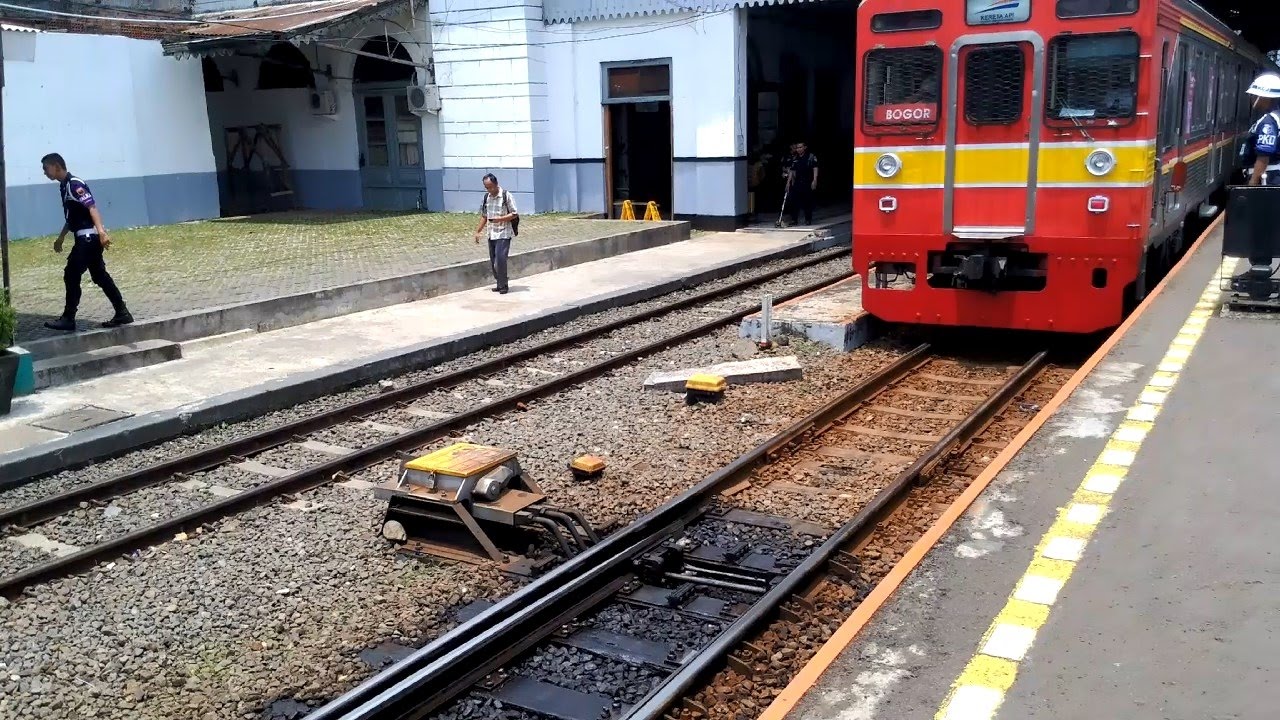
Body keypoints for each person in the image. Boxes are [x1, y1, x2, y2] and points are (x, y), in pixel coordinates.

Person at [40, 153, 133, 331]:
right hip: (85, 237)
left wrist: (102, 232)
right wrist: (61, 238)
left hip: (88, 238)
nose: (44, 172)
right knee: (99, 275)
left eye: (46, 168)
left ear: (56, 166)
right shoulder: (64, 186)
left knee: (71, 274)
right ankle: (122, 312)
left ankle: (68, 318)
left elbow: (92, 207)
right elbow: (73, 216)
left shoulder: (75, 184)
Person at [474, 173, 519, 295]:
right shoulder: (486, 198)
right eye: (487, 187)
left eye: (491, 187)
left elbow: (514, 214)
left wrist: (499, 219)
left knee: (500, 260)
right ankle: (499, 283)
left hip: (504, 232)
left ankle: (504, 285)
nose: (490, 190)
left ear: (496, 184)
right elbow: (484, 216)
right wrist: (478, 231)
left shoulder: (506, 196)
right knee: (493, 261)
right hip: (491, 233)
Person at [1242, 72, 1280, 188]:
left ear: (1264, 98)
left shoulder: (1268, 122)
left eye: (1254, 95)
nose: (1251, 98)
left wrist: (1252, 185)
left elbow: (1263, 156)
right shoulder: (1275, 117)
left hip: (1266, 178)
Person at [786, 141, 819, 227]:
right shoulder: (795, 158)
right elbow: (792, 171)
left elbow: (815, 168)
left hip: (807, 181)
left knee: (807, 202)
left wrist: (814, 180)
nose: (799, 149)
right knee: (794, 201)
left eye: (800, 147)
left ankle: (808, 219)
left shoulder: (810, 157)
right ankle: (794, 220)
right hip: (797, 182)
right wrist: (788, 183)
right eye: (797, 147)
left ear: (805, 147)